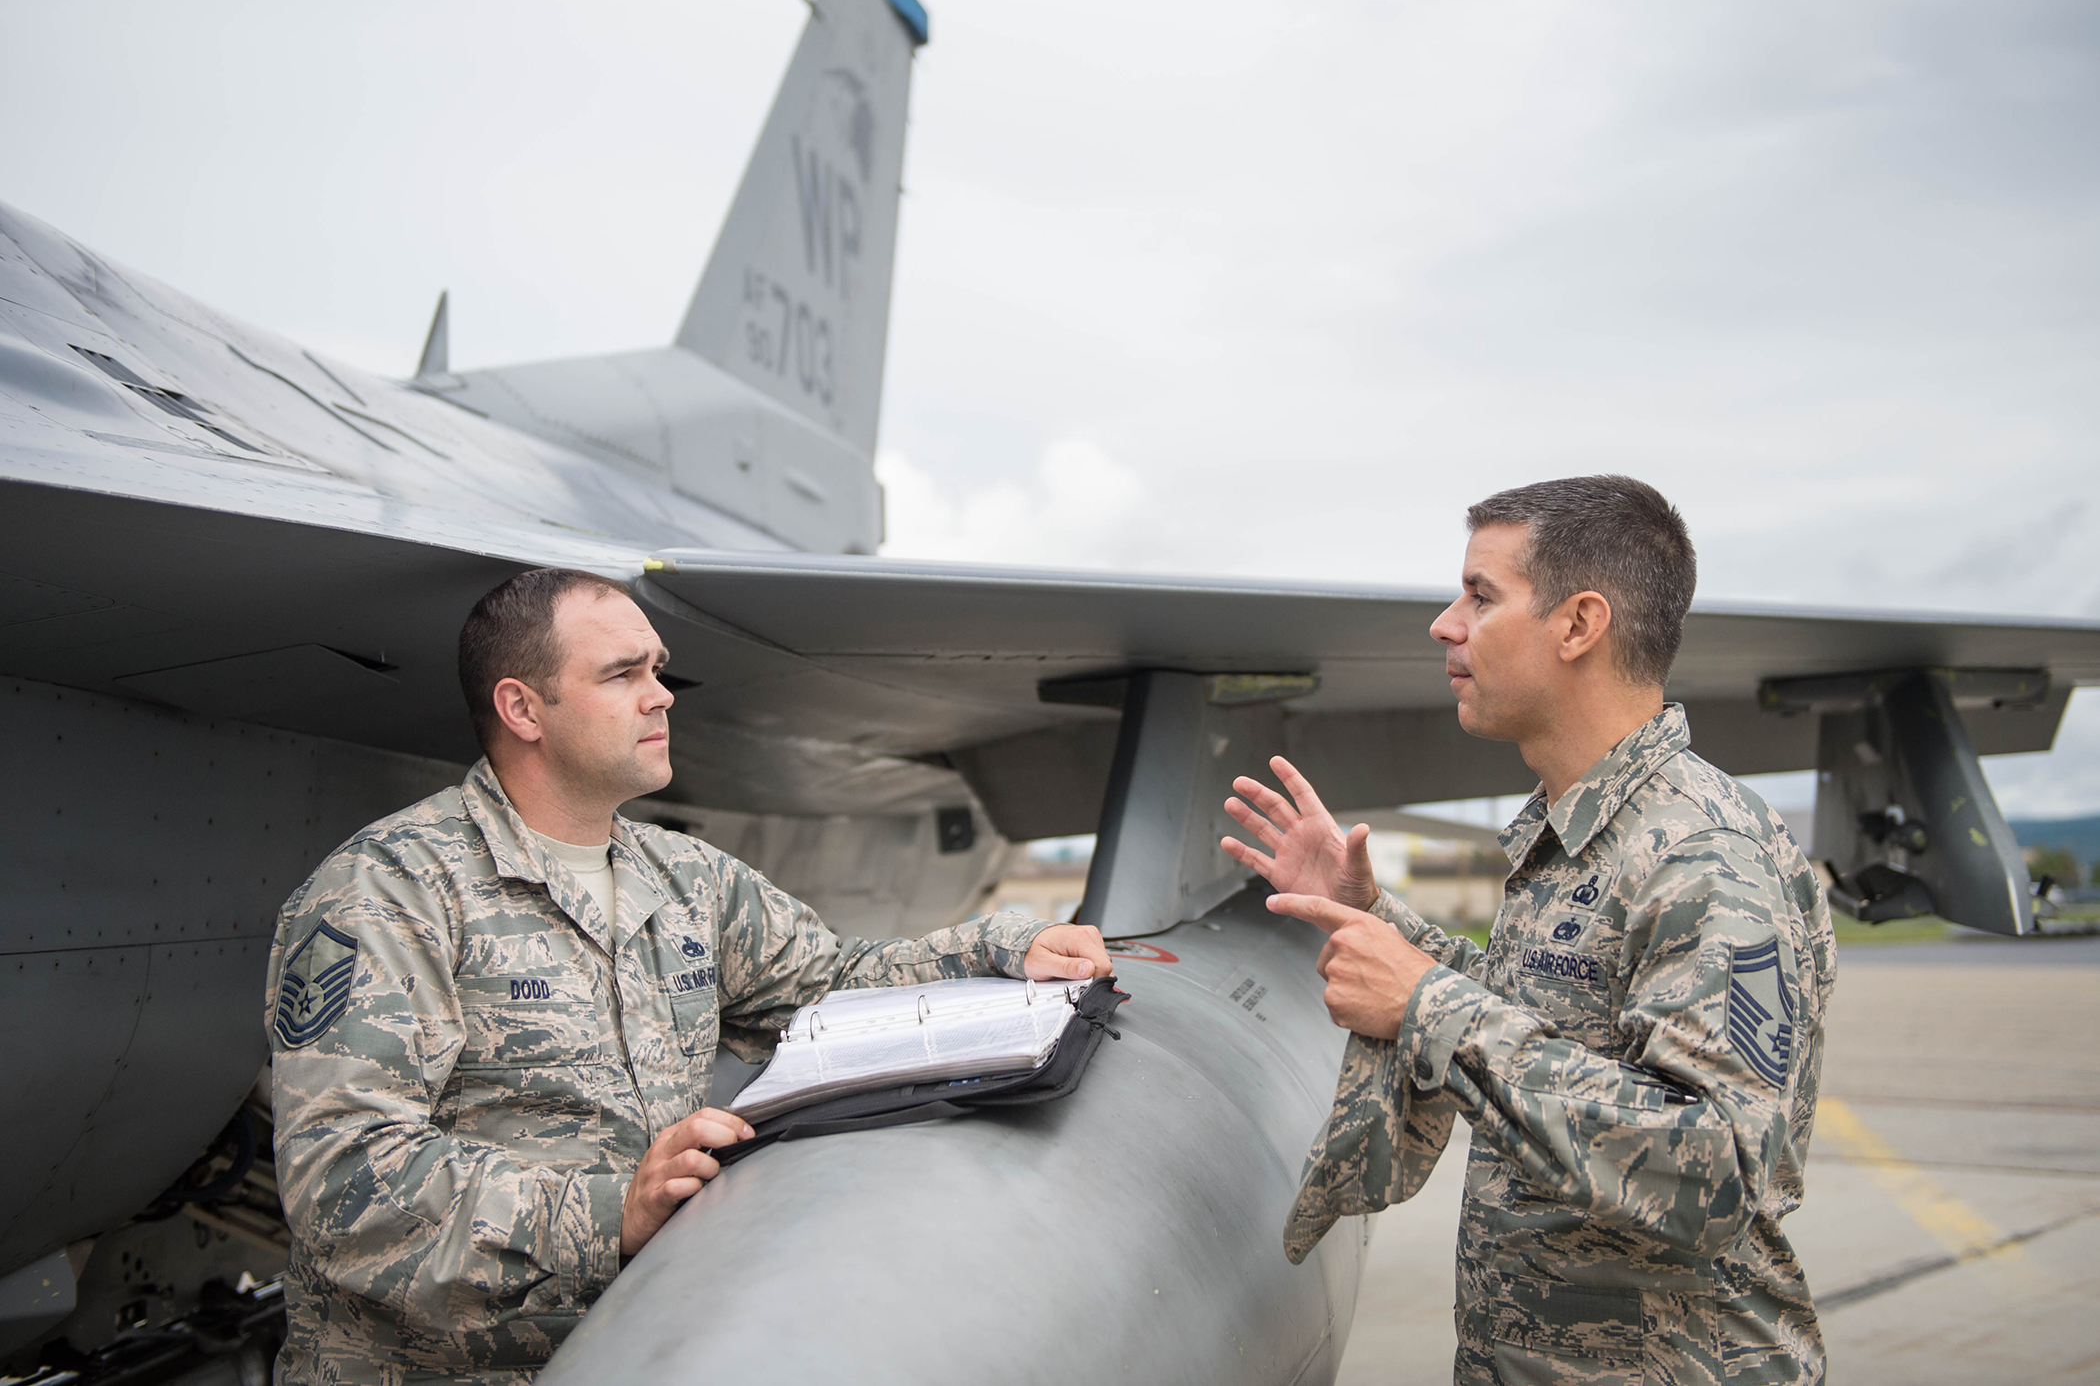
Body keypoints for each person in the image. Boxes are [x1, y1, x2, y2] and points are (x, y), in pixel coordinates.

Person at [266, 568, 1110, 1385]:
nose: (662, 694)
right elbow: (345, 1177)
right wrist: (611, 1216)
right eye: (623, 673)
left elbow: (833, 981)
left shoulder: (685, 880)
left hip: (640, 1346)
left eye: (658, 670)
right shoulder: (389, 891)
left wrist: (1004, 946)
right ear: (523, 707)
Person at [1224, 476, 1836, 1385]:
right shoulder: (1578, 829)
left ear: (1578, 625)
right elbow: (1542, 1017)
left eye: (1480, 595)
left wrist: (1428, 1005)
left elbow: (1717, 1167)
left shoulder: (1707, 855)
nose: (1445, 623)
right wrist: (1371, 917)